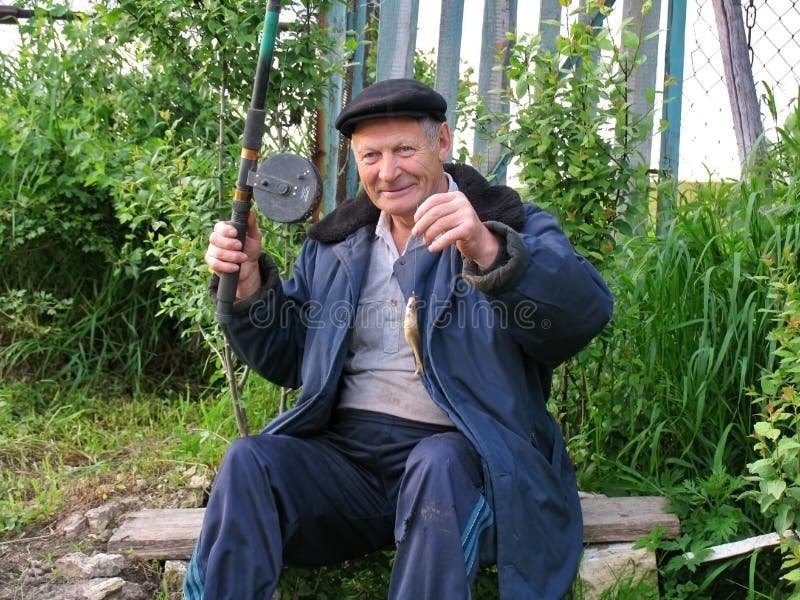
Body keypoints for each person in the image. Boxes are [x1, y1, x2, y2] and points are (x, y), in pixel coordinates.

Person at [184, 78, 613, 600]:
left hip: (467, 459)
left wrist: (488, 250)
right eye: (371, 156)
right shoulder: (337, 243)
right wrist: (250, 281)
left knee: (437, 463)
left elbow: (581, 317)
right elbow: (290, 356)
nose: (388, 172)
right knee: (248, 462)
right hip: (348, 460)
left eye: (404, 149)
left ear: (442, 142)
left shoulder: (505, 221)